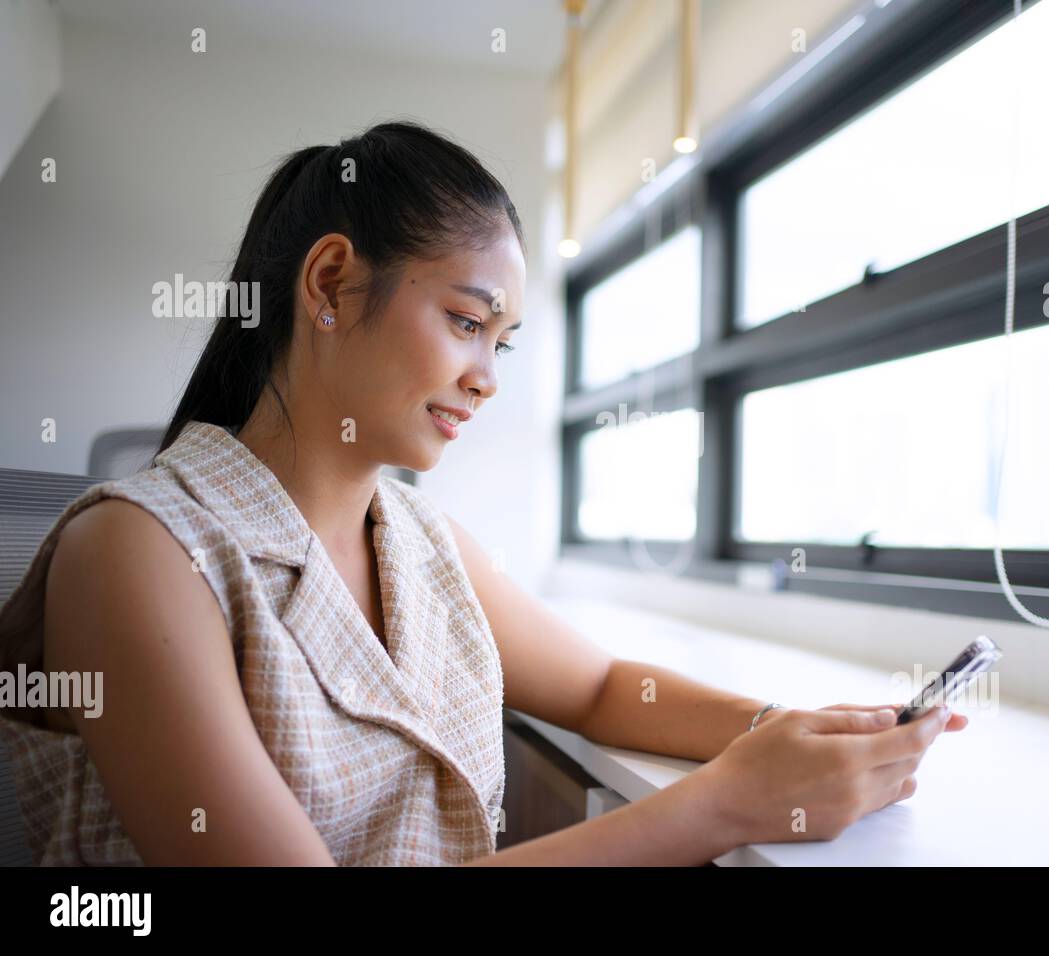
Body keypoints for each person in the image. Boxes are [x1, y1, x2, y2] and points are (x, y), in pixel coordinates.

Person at [0, 120, 965, 866]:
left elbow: (596, 686)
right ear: (331, 284)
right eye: (467, 320)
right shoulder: (136, 553)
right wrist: (725, 802)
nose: (487, 378)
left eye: (499, 343)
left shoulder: (421, 539)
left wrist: (785, 732)